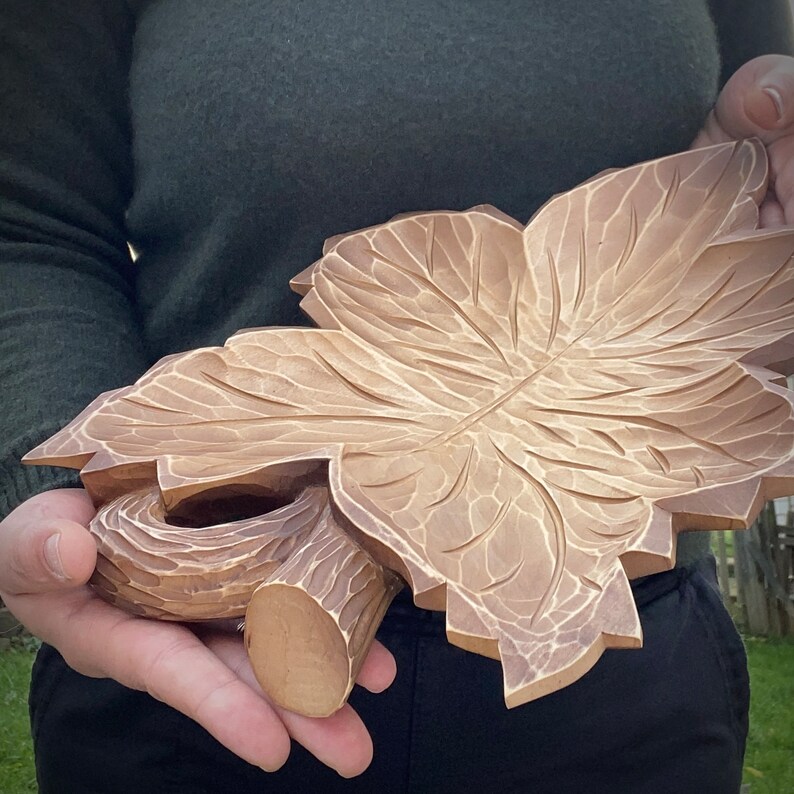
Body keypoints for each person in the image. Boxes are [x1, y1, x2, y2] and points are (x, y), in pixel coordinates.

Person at [1, 2, 793, 792]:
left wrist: (760, 214)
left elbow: (761, 161)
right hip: (184, 664)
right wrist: (59, 484)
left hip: (619, 673)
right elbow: (34, 225)